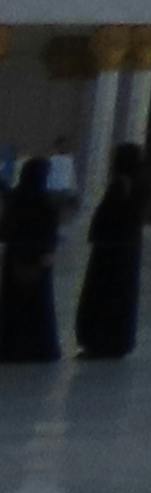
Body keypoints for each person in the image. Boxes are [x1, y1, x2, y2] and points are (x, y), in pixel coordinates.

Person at [72, 147, 148, 359]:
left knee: (104, 297)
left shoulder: (122, 185)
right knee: (118, 297)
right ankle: (113, 340)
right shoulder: (136, 185)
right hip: (124, 252)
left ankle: (101, 340)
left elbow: (110, 217)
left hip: (110, 254)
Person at [1, 151, 64, 362]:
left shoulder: (18, 199)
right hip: (38, 261)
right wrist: (47, 254)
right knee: (38, 307)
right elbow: (50, 232)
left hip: (17, 259)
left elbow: (7, 227)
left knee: (15, 304)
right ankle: (38, 347)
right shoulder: (45, 203)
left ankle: (12, 346)